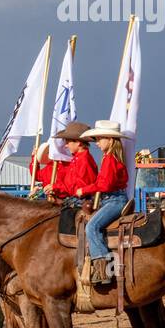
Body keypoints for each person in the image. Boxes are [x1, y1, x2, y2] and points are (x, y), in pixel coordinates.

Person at [72, 120, 129, 285]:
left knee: (92, 227)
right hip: (112, 199)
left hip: (114, 201)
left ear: (110, 140)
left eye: (99, 139)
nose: (96, 143)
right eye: (95, 139)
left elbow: (105, 184)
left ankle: (104, 270)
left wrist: (84, 190)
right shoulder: (109, 158)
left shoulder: (110, 159)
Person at [44, 121, 98, 203]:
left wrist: (56, 187)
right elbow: (70, 183)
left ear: (78, 143)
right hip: (75, 198)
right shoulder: (78, 159)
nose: (66, 145)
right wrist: (56, 187)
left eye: (68, 142)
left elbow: (79, 187)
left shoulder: (84, 160)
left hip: (81, 199)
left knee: (65, 214)